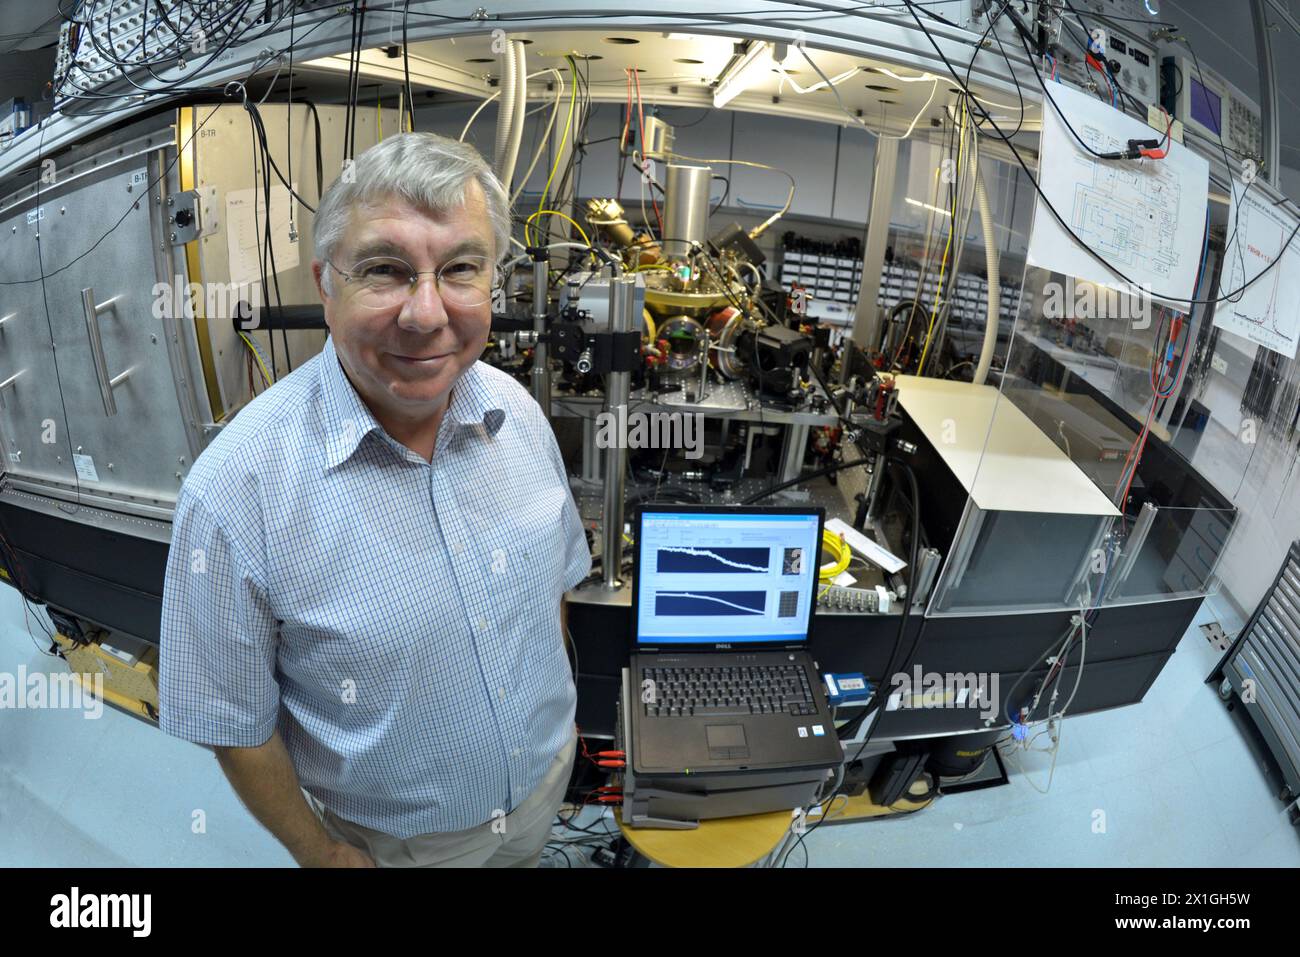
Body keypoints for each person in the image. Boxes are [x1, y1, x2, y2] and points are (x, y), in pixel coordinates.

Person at [159, 132, 590, 867]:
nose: (426, 315)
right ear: (325, 282)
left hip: (544, 790)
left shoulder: (515, 412)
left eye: (460, 268)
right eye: (385, 271)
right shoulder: (235, 493)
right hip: (403, 847)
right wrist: (319, 852)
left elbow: (548, 590)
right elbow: (231, 719)